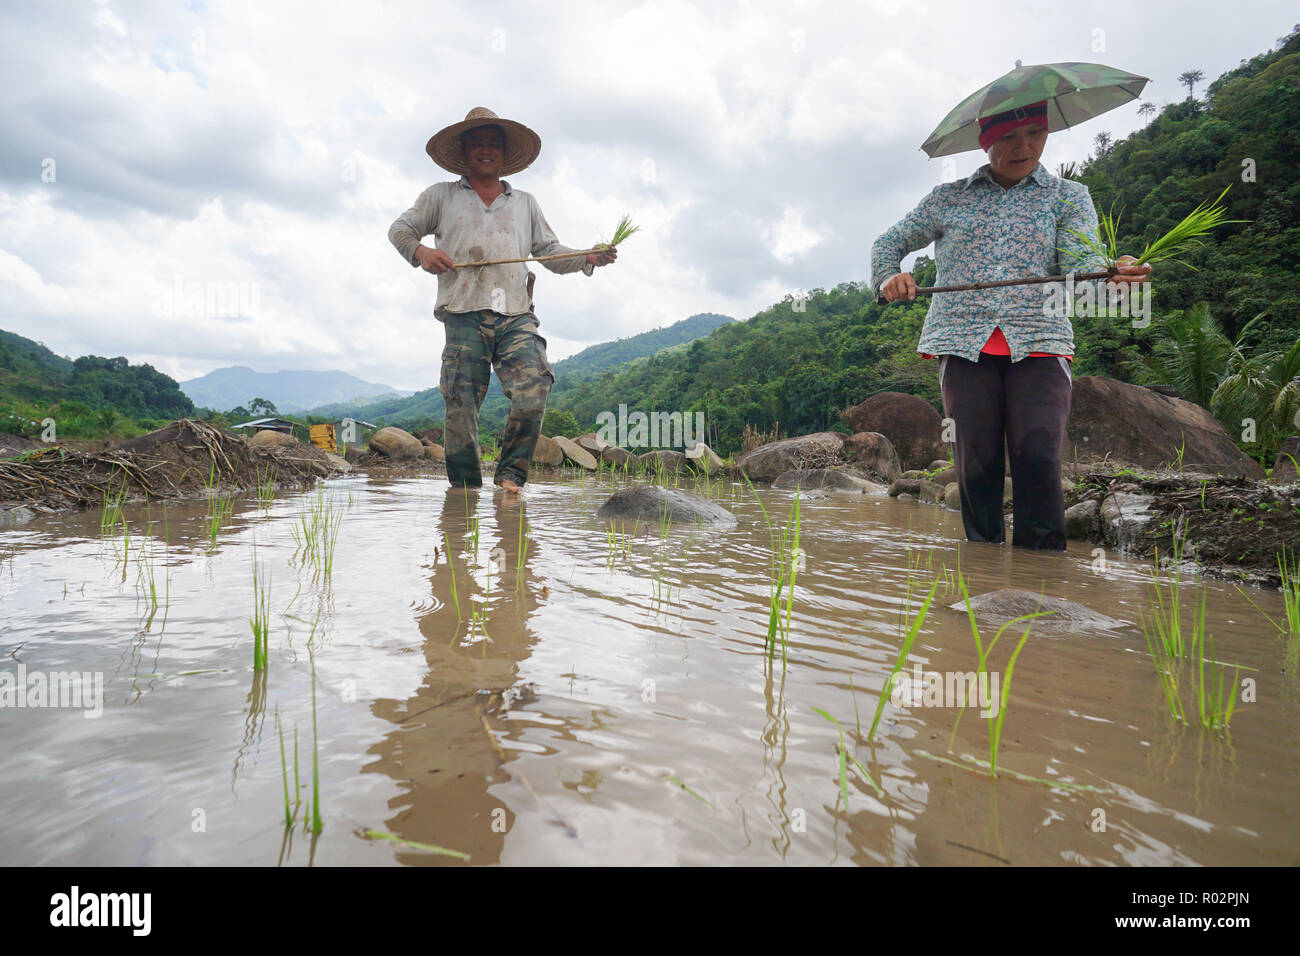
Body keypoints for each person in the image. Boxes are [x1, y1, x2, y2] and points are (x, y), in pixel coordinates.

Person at [871, 101, 1150, 550]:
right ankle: (981, 569)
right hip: (963, 342)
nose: (1024, 146)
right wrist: (890, 276)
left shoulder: (1069, 196)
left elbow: (1082, 269)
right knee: (976, 464)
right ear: (985, 141)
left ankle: (1043, 576)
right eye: (1008, 137)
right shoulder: (949, 197)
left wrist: (1114, 276)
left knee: (1038, 456)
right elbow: (889, 243)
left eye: (1035, 133)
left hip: (1041, 339)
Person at [388, 107, 617, 496]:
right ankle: (464, 495)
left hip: (515, 314)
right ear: (464, 152)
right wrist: (422, 254)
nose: (485, 150)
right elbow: (400, 230)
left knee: (535, 385)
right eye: (477, 143)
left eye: (493, 144)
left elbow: (548, 251)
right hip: (463, 313)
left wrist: (587, 257)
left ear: (504, 152)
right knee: (461, 404)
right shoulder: (440, 196)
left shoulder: (524, 202)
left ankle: (511, 478)